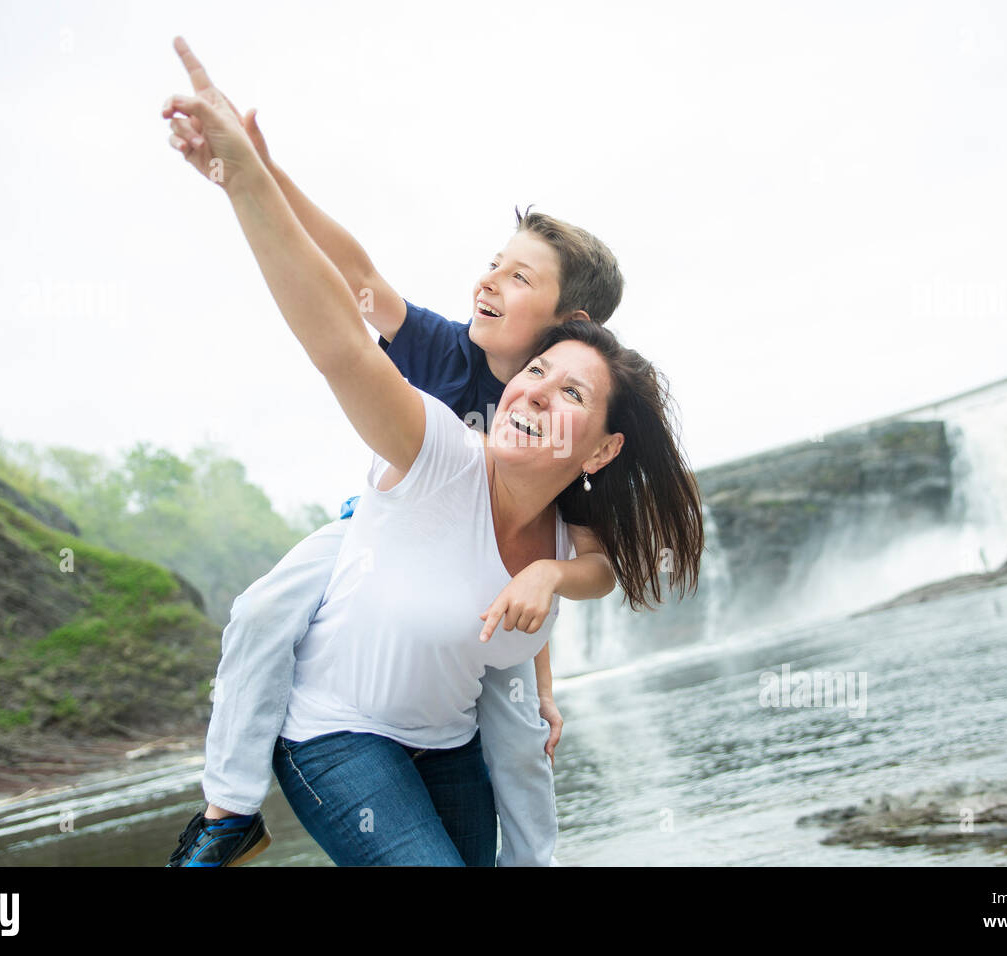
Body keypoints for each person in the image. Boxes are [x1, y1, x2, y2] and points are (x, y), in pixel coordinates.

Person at [159, 39, 704, 866]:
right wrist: (256, 175)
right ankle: (228, 809)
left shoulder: (572, 436)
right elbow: (349, 289)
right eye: (493, 265)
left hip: (467, 619)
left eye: (520, 279)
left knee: (516, 717)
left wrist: (545, 650)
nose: (489, 283)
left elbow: (555, 561)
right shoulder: (450, 361)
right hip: (380, 529)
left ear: (574, 326)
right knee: (269, 608)